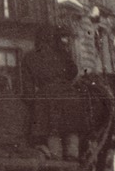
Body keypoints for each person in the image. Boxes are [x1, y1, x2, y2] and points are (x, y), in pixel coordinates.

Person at [23, 27, 80, 160]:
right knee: (72, 129)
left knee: (52, 131)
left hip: (46, 98)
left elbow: (28, 89)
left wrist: (32, 103)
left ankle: (57, 162)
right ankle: (74, 159)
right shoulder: (61, 53)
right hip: (68, 95)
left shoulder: (29, 57)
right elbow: (74, 71)